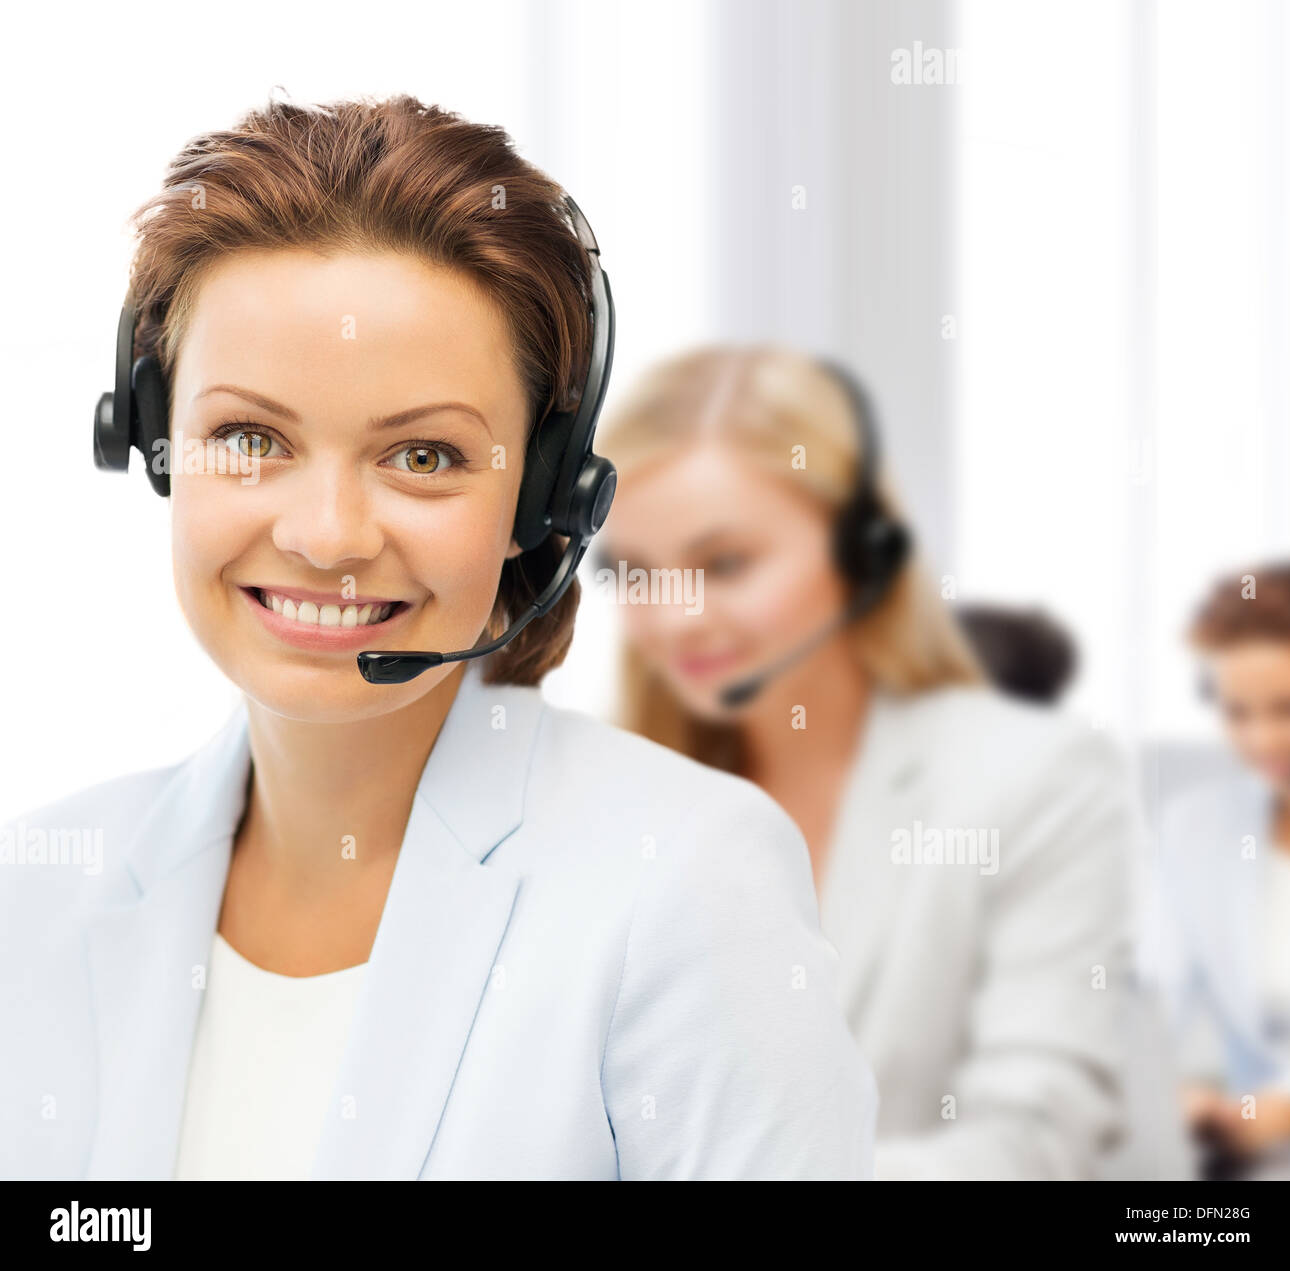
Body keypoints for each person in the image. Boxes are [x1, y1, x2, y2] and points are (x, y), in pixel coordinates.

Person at [0, 96, 875, 1182]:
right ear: (150, 440)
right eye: (249, 436)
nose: (326, 534)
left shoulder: (686, 881)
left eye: (421, 455)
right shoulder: (33, 891)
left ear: (544, 497)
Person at [594, 344, 1140, 1178]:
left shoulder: (1037, 777)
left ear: (864, 554)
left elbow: (1036, 1138)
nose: (676, 620)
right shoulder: (613, 799)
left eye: (726, 563)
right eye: (635, 572)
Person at [1144, 561, 1290, 1179]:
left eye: (1289, 709)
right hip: (1241, 1159)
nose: (1261, 739)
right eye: (1237, 713)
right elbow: (1158, 993)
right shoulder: (1198, 824)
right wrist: (1177, 1091)